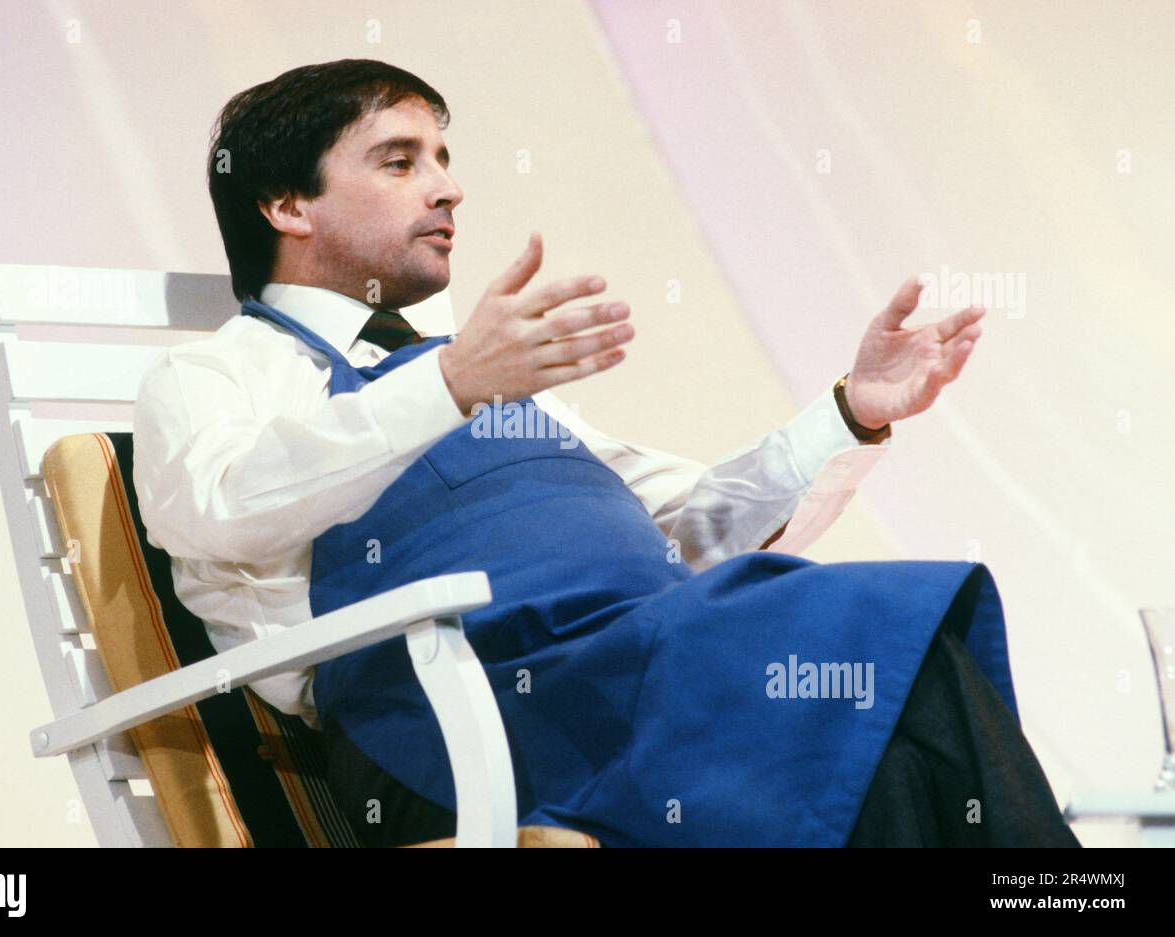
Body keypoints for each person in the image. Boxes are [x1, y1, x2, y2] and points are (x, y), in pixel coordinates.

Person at [132, 59, 1079, 847]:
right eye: (399, 160)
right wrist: (451, 386)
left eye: (445, 157)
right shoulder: (216, 377)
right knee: (866, 633)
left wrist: (850, 414)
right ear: (286, 202)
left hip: (638, 669)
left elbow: (692, 523)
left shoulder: (478, 375)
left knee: (890, 732)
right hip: (458, 729)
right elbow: (216, 505)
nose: (449, 185)